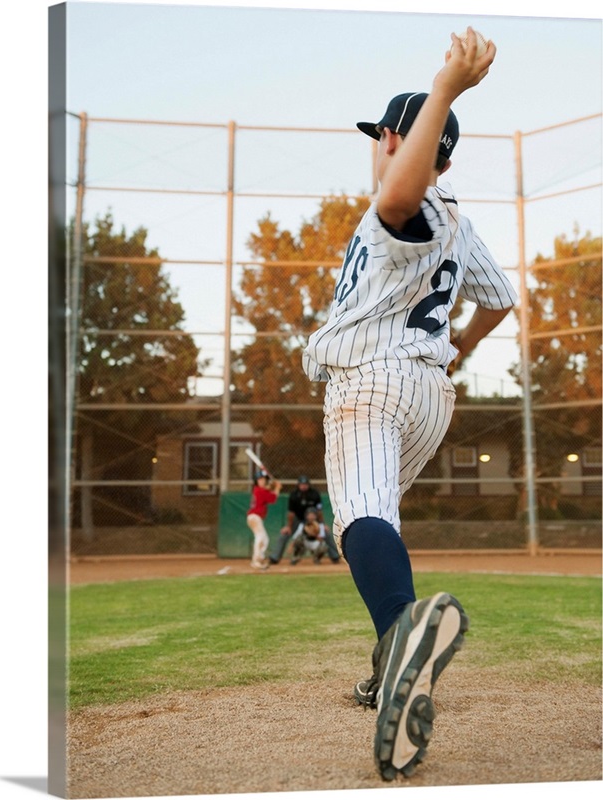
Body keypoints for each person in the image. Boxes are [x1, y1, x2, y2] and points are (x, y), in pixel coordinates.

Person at [302, 29, 516, 780]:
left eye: (383, 136)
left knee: (360, 519)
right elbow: (501, 299)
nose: (378, 148)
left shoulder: (407, 200)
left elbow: (398, 193)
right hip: (430, 392)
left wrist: (446, 89)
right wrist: (459, 346)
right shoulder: (459, 217)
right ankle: (386, 661)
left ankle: (401, 640)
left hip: (372, 378)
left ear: (400, 139)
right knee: (374, 525)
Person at [268, 476, 340, 564]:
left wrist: (322, 524)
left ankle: (335, 556)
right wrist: (289, 527)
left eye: (305, 484)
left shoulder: (314, 494)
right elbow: (291, 513)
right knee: (284, 534)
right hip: (298, 520)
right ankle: (275, 558)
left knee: (326, 533)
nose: (303, 486)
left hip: (313, 520)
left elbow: (319, 511)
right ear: (298, 485)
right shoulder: (294, 495)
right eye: (301, 484)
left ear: (308, 485)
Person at [246, 469, 282, 570]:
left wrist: (274, 486)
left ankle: (259, 559)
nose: (262, 481)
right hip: (254, 517)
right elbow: (273, 498)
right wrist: (277, 488)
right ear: (256, 481)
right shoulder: (259, 491)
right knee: (260, 537)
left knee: (265, 538)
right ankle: (256, 560)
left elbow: (269, 489)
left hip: (255, 517)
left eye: (263, 479)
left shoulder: (259, 490)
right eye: (260, 479)